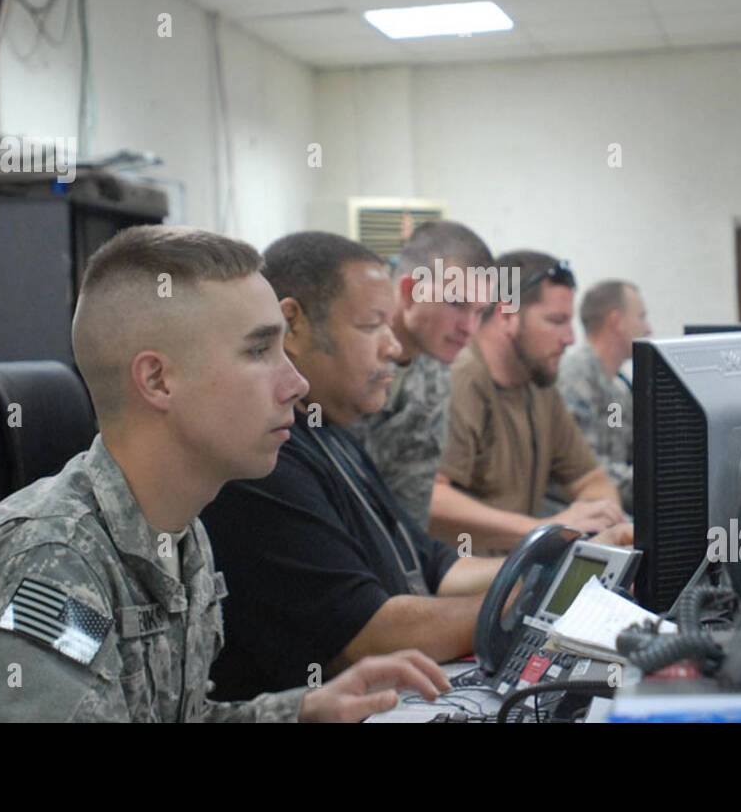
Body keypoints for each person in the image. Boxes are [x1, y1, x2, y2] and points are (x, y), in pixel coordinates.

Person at [0, 226, 447, 722]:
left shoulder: (180, 533)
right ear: (157, 381)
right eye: (258, 352)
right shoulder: (57, 564)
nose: (296, 384)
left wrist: (302, 710)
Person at [203, 233, 630, 699]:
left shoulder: (332, 434)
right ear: (294, 326)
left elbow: (434, 566)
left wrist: (562, 560)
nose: (392, 348)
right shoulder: (264, 464)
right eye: (371, 327)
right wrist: (541, 601)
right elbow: (370, 634)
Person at [431, 252, 628, 552]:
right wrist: (545, 530)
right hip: (461, 580)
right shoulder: (463, 377)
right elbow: (432, 498)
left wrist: (601, 519)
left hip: (513, 571)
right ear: (507, 315)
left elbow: (590, 478)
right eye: (556, 321)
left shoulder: (538, 381)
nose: (570, 338)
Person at [347, 221, 494, 530]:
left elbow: (409, 513)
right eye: (457, 304)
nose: (469, 328)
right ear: (411, 292)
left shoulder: (435, 373)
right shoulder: (345, 356)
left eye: (480, 312)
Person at [557, 280, 651, 509]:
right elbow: (585, 470)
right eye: (641, 317)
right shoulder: (575, 377)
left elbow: (629, 452)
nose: (648, 329)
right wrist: (657, 483)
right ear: (616, 321)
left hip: (616, 507)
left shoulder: (619, 386)